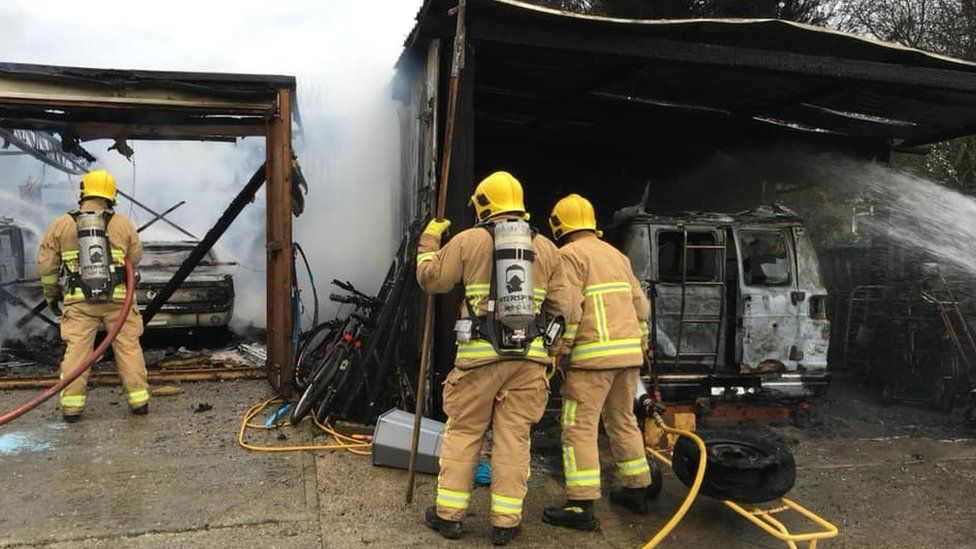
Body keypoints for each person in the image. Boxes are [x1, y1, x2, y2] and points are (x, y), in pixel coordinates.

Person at [416, 171, 572, 546]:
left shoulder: (469, 240)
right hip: (529, 364)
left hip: (477, 363)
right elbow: (564, 310)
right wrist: (552, 350)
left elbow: (432, 280)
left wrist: (429, 241)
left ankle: (449, 516)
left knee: (464, 434)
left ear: (483, 205)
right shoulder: (547, 249)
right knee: (513, 440)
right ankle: (505, 521)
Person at [542, 193, 653, 531]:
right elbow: (641, 306)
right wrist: (642, 342)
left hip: (592, 360)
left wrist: (557, 349)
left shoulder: (569, 256)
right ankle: (636, 491)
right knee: (623, 420)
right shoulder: (616, 255)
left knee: (579, 427)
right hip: (628, 356)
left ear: (559, 225)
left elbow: (568, 308)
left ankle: (581, 504)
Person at [37, 169, 149, 422]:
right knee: (128, 349)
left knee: (77, 352)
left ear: (84, 191)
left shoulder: (61, 224)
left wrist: (52, 296)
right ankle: (139, 402)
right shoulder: (122, 223)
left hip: (79, 302)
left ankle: (72, 408)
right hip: (118, 302)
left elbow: (46, 267)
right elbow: (135, 257)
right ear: (110, 195)